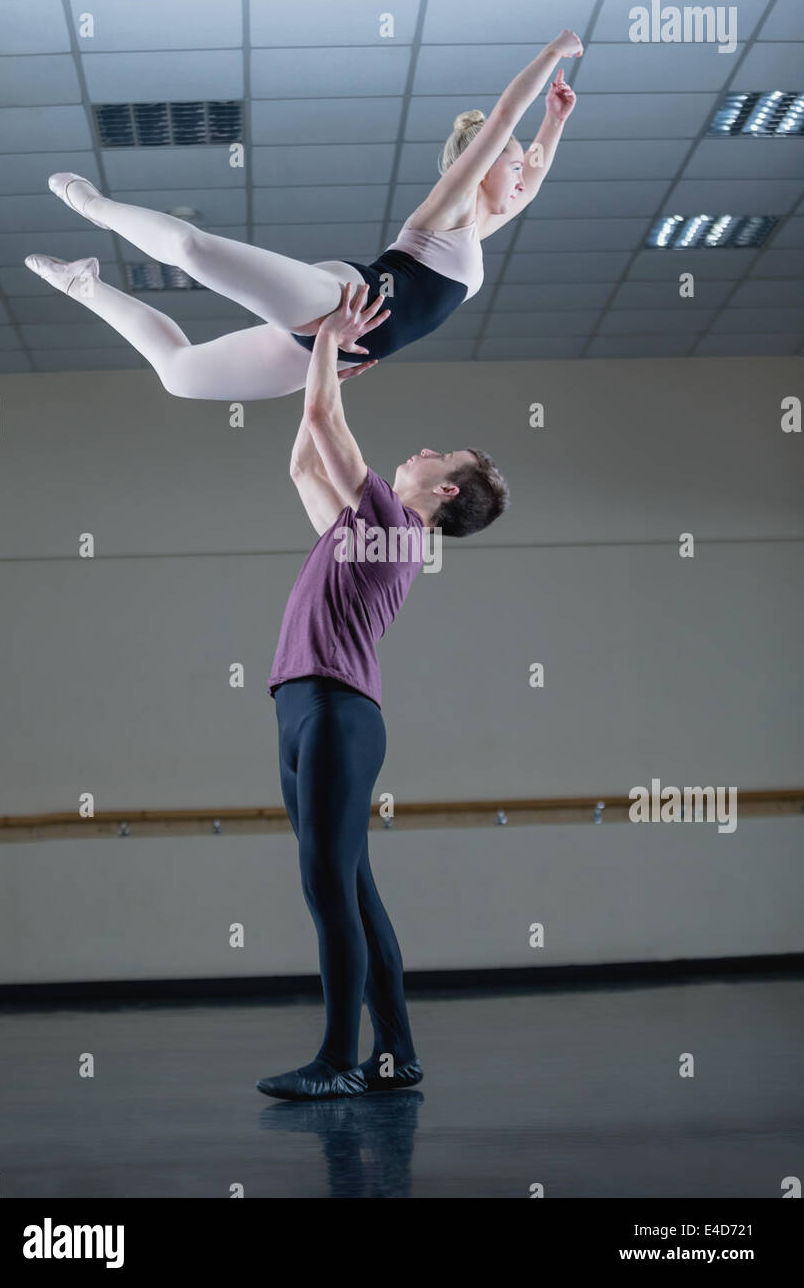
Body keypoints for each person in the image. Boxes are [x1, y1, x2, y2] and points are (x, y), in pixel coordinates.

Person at [256, 282, 510, 1099]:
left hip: (335, 711)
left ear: (444, 493)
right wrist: (320, 372)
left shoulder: (394, 526)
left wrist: (328, 344)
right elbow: (305, 454)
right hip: (306, 709)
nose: (424, 449)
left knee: (327, 886)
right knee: (351, 890)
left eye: (443, 458)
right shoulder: (362, 527)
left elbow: (328, 431)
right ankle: (395, 1055)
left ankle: (336, 1063)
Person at [24, 31, 582, 399]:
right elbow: (508, 113)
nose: (519, 177)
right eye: (509, 167)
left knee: (179, 376)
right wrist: (554, 53)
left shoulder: (480, 231)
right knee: (194, 251)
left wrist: (555, 120)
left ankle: (84, 285)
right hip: (342, 300)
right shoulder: (452, 207)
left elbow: (529, 185)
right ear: (481, 168)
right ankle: (96, 207)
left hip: (333, 351)